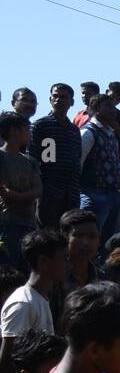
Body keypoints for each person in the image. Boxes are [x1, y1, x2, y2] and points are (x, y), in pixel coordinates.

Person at [1, 229, 64, 373]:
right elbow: (7, 359)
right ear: (44, 261)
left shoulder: (42, 299)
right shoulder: (23, 303)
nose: (68, 264)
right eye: (62, 258)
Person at [28, 84, 80, 230]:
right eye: (55, 96)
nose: (59, 100)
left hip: (71, 193)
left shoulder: (74, 130)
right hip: (49, 192)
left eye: (63, 97)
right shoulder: (41, 125)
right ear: (50, 99)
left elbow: (77, 160)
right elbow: (34, 159)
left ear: (71, 102)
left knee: (68, 234)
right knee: (48, 233)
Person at [76, 95, 120, 246]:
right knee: (89, 239)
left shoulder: (111, 134)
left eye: (113, 106)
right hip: (93, 194)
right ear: (96, 109)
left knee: (108, 242)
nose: (113, 111)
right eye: (108, 106)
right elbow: (78, 164)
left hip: (113, 195)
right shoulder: (88, 133)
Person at [0, 113, 41, 274]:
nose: (30, 134)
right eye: (27, 129)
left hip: (28, 224)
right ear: (14, 131)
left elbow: (39, 189)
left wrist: (17, 196)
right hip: (6, 223)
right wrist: (25, 196)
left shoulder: (30, 161)